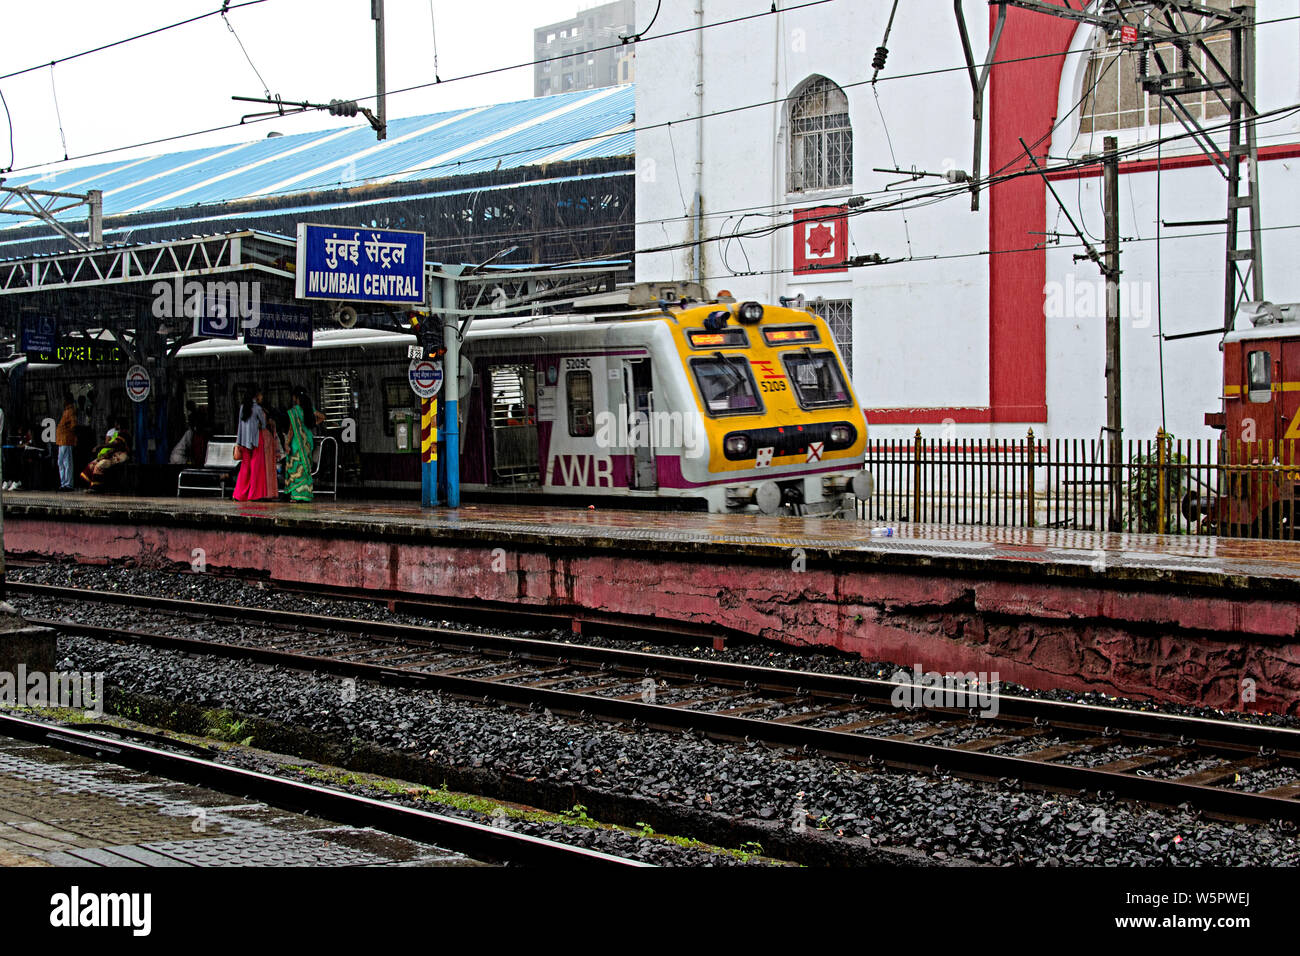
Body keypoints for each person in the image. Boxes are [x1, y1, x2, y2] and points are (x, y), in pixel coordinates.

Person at [233, 387, 271, 501]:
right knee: (256, 469)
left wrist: (238, 442)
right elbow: (263, 425)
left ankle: (239, 494)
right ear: (256, 395)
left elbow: (240, 426)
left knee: (245, 468)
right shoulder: (258, 408)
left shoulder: (242, 408)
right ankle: (254, 494)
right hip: (256, 441)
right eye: (260, 395)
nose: (262, 397)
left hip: (244, 442)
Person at [282, 387, 317, 502]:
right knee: (306, 467)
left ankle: (296, 495)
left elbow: (291, 430)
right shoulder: (309, 409)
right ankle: (306, 494)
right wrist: (311, 424)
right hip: (307, 441)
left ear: (295, 397)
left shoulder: (294, 411)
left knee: (296, 467)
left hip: (297, 442)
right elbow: (322, 417)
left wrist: (287, 443)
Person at [80, 422, 130, 491]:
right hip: (113, 454)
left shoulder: (124, 434)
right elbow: (114, 448)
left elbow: (115, 444)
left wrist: (100, 446)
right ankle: (89, 485)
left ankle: (96, 487)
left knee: (100, 465)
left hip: (121, 456)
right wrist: (107, 454)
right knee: (92, 464)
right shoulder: (118, 434)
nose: (116, 426)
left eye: (118, 424)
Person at [55, 395, 77, 490]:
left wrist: (70, 434)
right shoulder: (66, 411)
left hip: (66, 440)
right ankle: (63, 483)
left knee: (67, 462)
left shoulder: (71, 411)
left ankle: (68, 484)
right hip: (61, 440)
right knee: (61, 462)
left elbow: (74, 424)